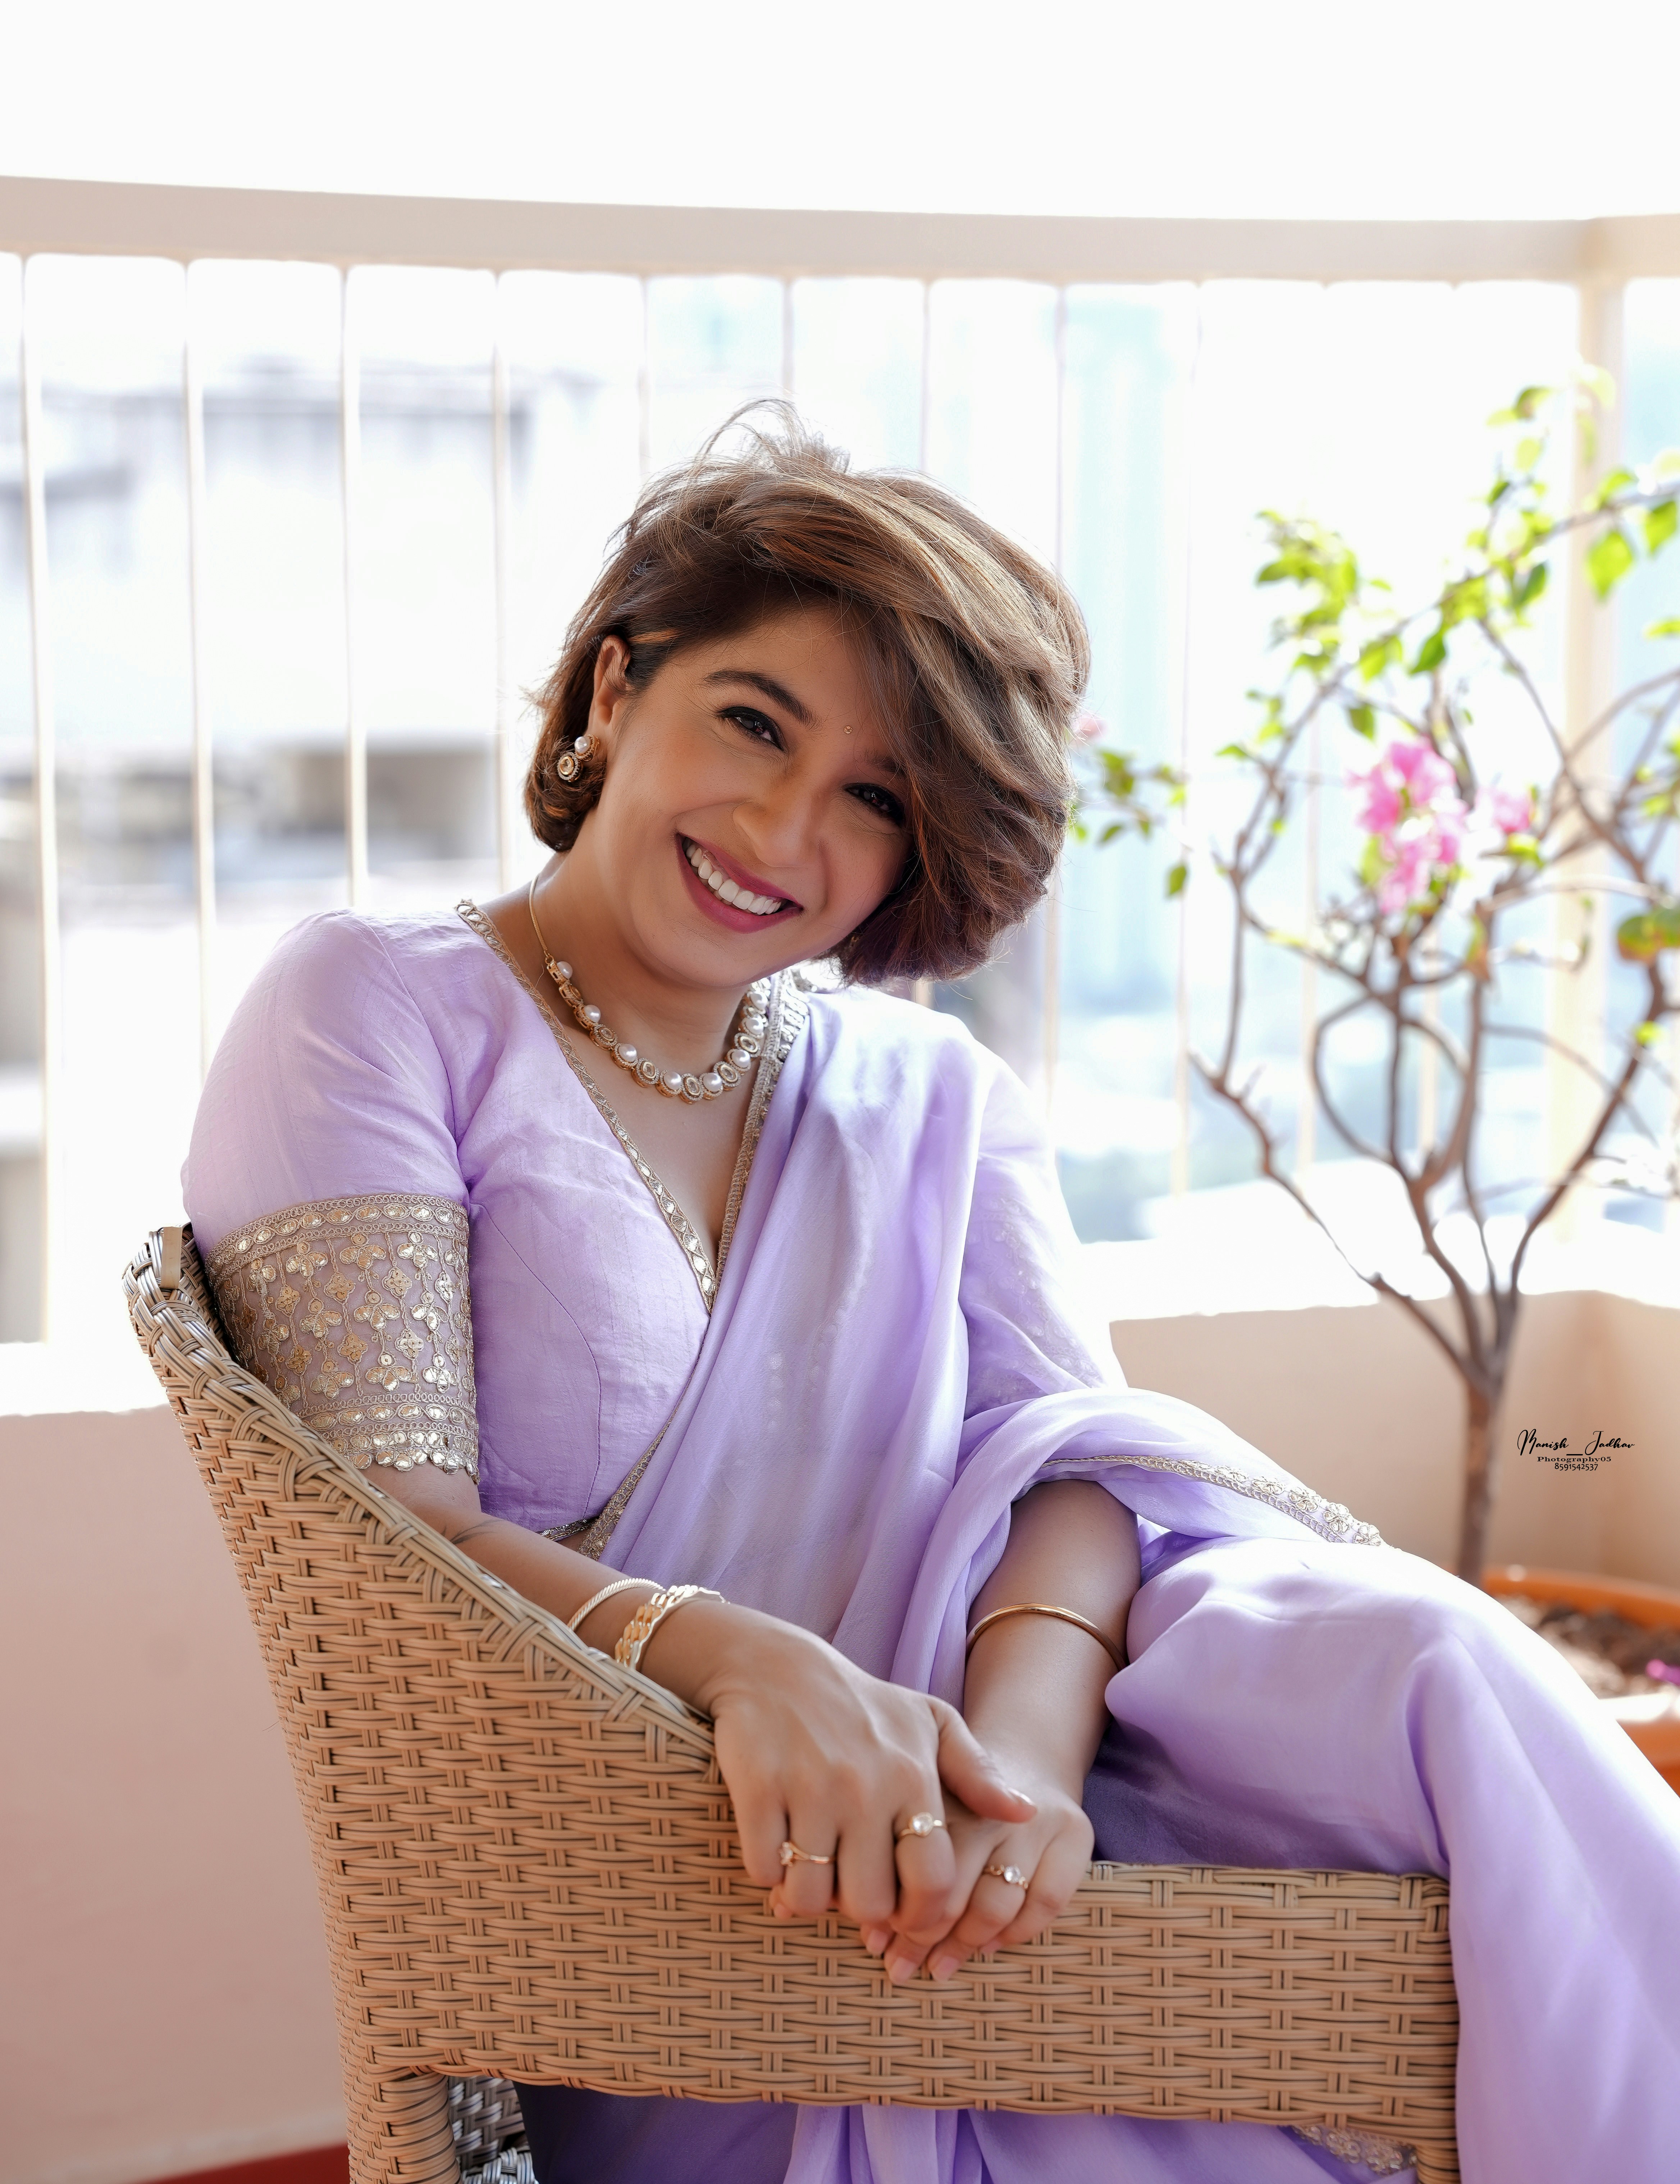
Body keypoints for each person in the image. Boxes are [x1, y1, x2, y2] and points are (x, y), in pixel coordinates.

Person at [184, 414, 1680, 2184]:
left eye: (876, 797)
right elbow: (385, 1541)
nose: (781, 828)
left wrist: (1023, 1770)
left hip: (1013, 1762)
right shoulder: (379, 1008)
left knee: (1440, 1660)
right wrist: (745, 1660)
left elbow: (1075, 1465)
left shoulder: (929, 1091)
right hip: (683, 1861)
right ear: (612, 690)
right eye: (753, 721)